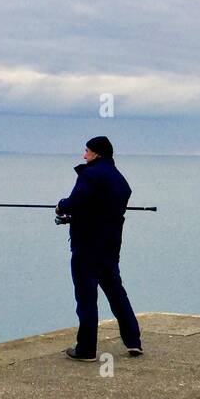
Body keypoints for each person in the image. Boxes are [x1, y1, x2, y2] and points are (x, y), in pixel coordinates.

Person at [56, 136, 143, 360]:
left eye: (86, 151)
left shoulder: (89, 175)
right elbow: (103, 208)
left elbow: (75, 201)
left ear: (97, 154)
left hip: (86, 245)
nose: (84, 156)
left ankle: (86, 349)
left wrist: (61, 206)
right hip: (110, 245)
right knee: (116, 292)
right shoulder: (120, 180)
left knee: (86, 296)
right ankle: (133, 341)